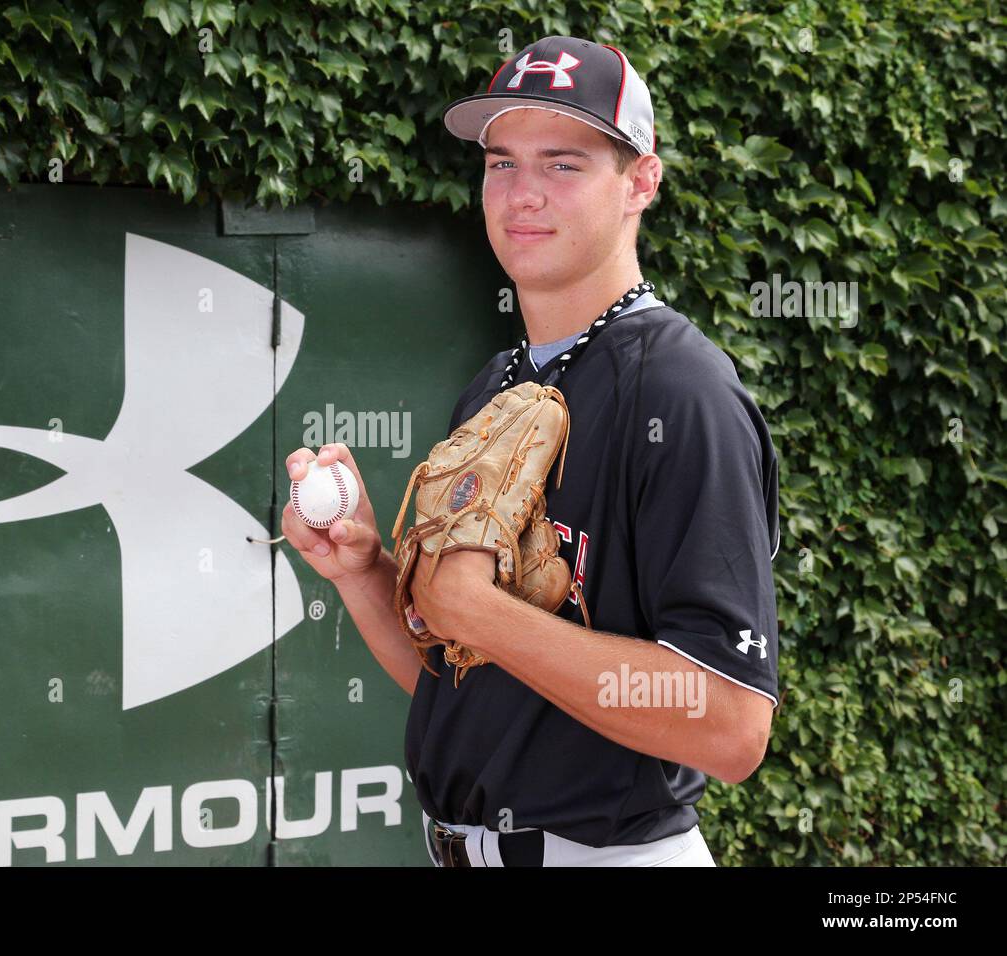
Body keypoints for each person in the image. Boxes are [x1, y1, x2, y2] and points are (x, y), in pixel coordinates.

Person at [281, 35, 780, 867]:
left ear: (640, 183)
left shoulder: (682, 394)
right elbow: (474, 693)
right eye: (502, 164)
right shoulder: (497, 387)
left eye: (564, 164)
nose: (522, 195)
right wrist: (365, 572)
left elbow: (731, 728)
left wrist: (484, 611)